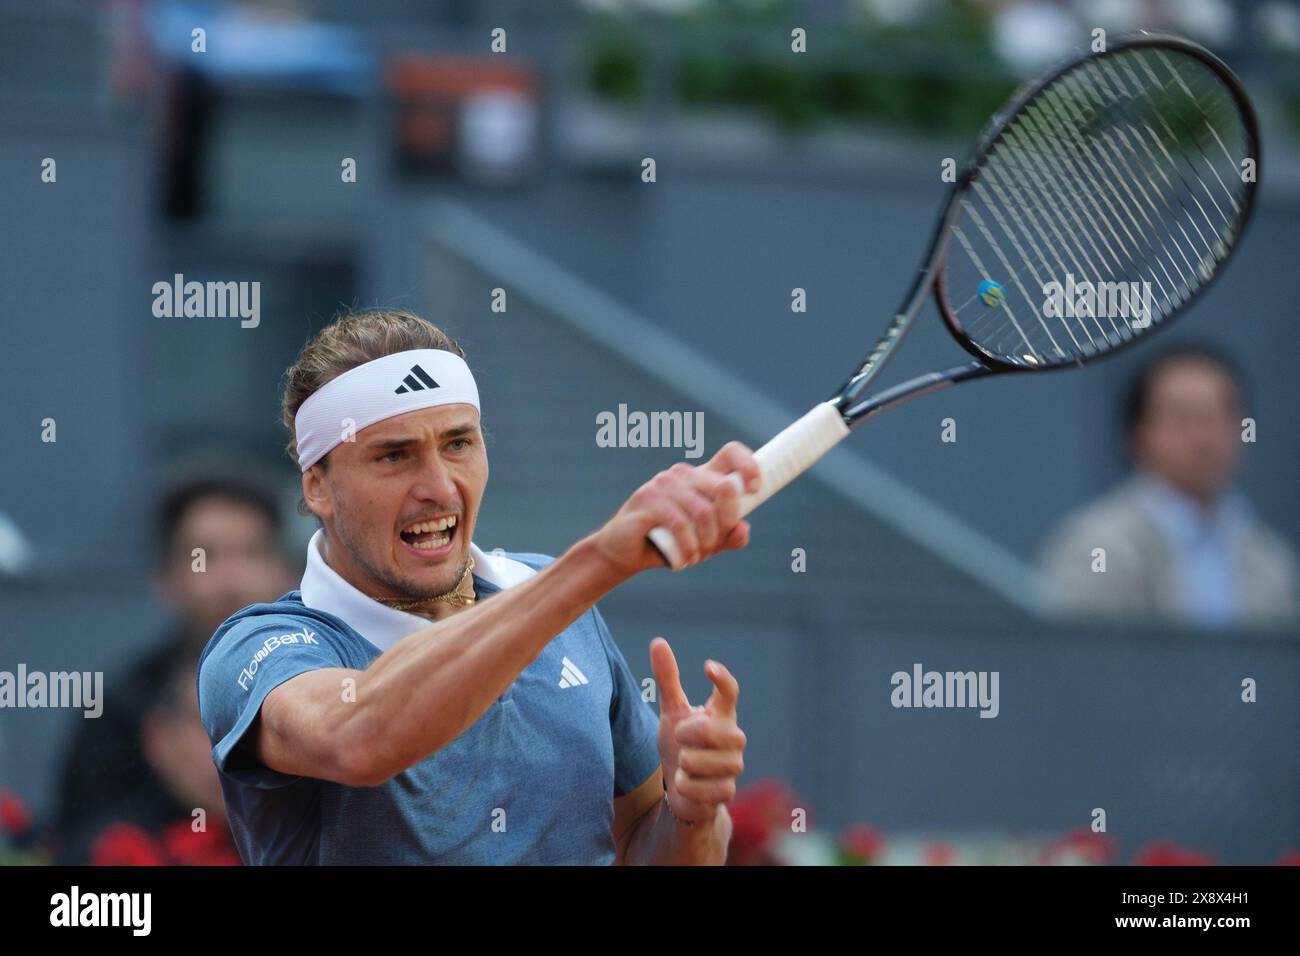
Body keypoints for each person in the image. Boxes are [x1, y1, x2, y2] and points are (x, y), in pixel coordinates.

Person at [197, 309, 755, 865]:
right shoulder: (256, 647)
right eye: (395, 455)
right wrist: (601, 561)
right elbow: (359, 737)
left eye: (458, 444)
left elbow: (638, 845)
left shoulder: (556, 598)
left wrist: (691, 812)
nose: (439, 488)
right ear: (318, 485)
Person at [54, 470, 296, 862]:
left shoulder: (331, 679)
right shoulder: (116, 708)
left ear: (287, 571)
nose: (231, 580)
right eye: (205, 556)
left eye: (251, 552)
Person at [1038, 344, 1300, 629]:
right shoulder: (1094, 546)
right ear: (1137, 434)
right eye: (1181, 417)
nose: (1203, 438)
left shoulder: (1273, 561)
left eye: (1216, 417)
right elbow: (1075, 661)